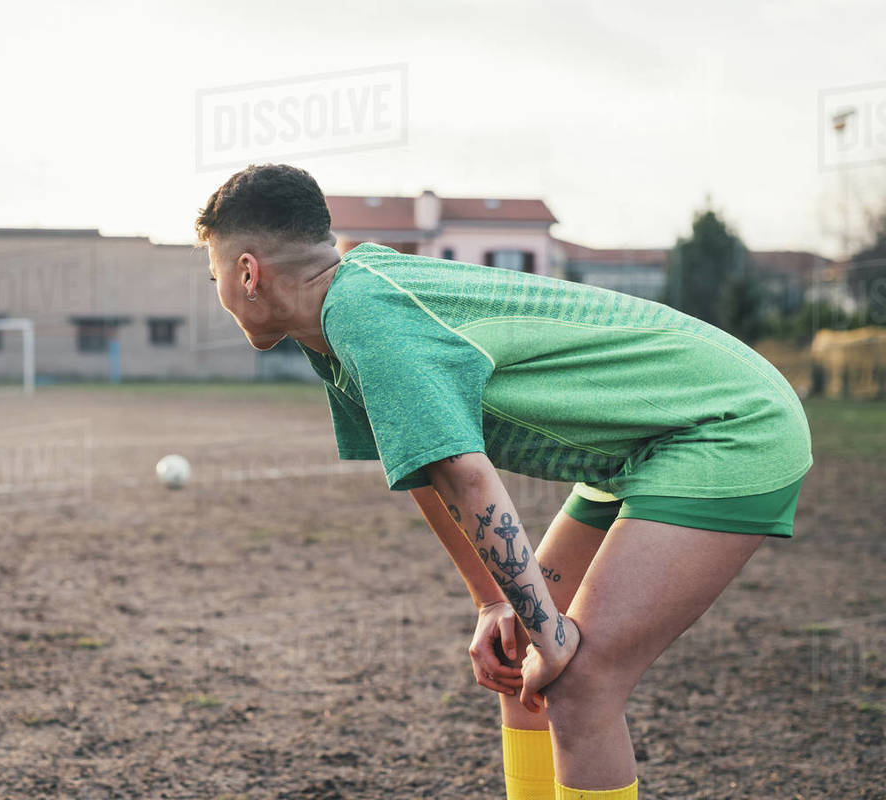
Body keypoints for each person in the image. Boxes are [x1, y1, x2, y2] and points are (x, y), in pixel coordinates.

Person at [194, 165, 812, 800]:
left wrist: (551, 631)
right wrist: (495, 602)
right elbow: (426, 470)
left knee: (580, 683)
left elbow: (467, 476)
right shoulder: (336, 320)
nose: (217, 288)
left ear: (248, 272)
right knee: (524, 664)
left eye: (213, 274)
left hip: (725, 425)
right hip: (640, 447)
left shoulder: (364, 312)